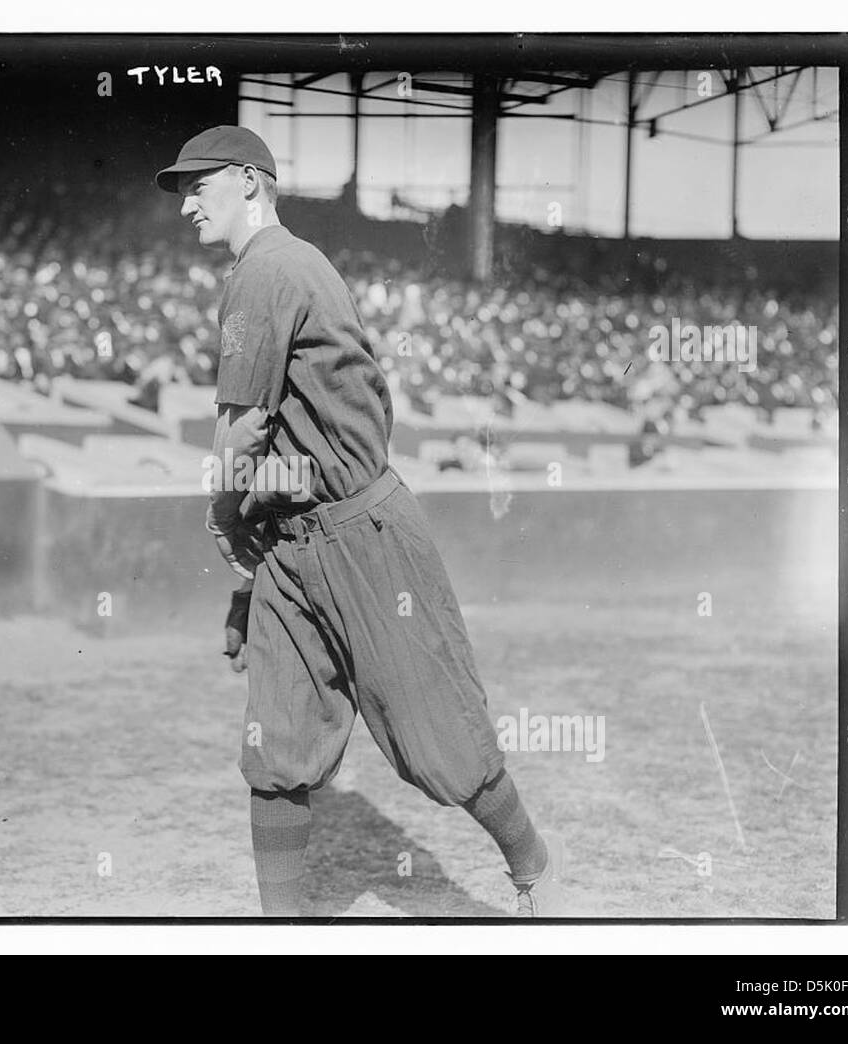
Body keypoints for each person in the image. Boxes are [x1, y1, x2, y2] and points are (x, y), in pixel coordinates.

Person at [155, 126, 566, 917]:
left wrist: (220, 512)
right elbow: (274, 438)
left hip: (361, 531)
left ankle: (534, 863)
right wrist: (257, 547)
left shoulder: (272, 268)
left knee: (436, 741)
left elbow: (241, 428)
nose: (186, 208)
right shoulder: (268, 269)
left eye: (197, 188)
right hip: (295, 537)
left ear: (249, 181)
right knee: (274, 746)